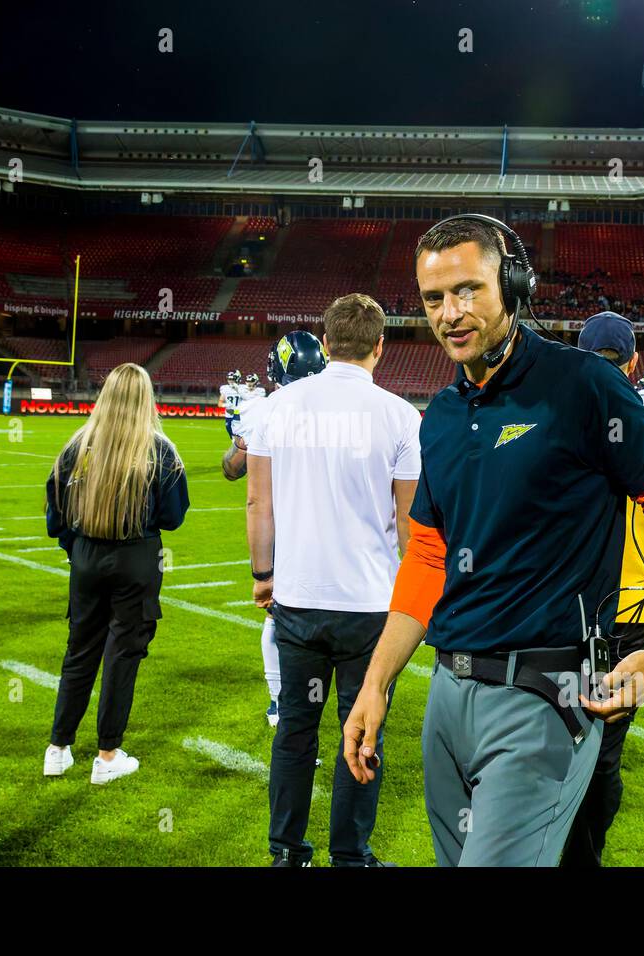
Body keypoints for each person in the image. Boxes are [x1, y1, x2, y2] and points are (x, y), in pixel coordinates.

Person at [341, 215, 644, 867]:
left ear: (513, 284)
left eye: (468, 290)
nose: (450, 312)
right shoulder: (444, 417)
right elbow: (428, 556)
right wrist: (375, 684)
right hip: (448, 697)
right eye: (433, 298)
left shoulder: (584, 386)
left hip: (542, 696)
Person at [247, 293, 421, 868]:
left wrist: (263, 574)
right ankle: (350, 854)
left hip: (297, 599)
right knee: (364, 729)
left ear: (324, 344)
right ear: (379, 347)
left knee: (295, 731)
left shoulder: (279, 407)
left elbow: (258, 502)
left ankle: (287, 852)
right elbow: (410, 521)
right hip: (371, 606)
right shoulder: (399, 414)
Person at [564, 311, 644, 867]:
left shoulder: (561, 425)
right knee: (604, 752)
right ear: (635, 362)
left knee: (555, 743)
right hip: (638, 613)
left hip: (573, 607)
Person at [42, 363, 188, 783]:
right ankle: (107, 756)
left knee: (79, 651)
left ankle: (58, 748)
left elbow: (56, 518)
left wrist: (78, 547)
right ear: (146, 399)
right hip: (136, 559)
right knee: (122, 656)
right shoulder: (159, 450)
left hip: (86, 558)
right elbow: (173, 516)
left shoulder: (76, 447)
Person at [221, 331, 329, 727]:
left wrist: (241, 444)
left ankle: (280, 701)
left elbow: (232, 470)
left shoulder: (266, 410)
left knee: (279, 618)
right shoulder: (340, 407)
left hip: (283, 526)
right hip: (329, 528)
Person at [218, 368, 245, 437]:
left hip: (240, 413)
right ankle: (236, 446)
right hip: (229, 413)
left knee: (239, 434)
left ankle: (239, 447)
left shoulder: (243, 388)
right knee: (230, 432)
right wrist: (226, 405)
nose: (230, 381)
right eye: (229, 379)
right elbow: (220, 403)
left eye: (232, 379)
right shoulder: (225, 388)